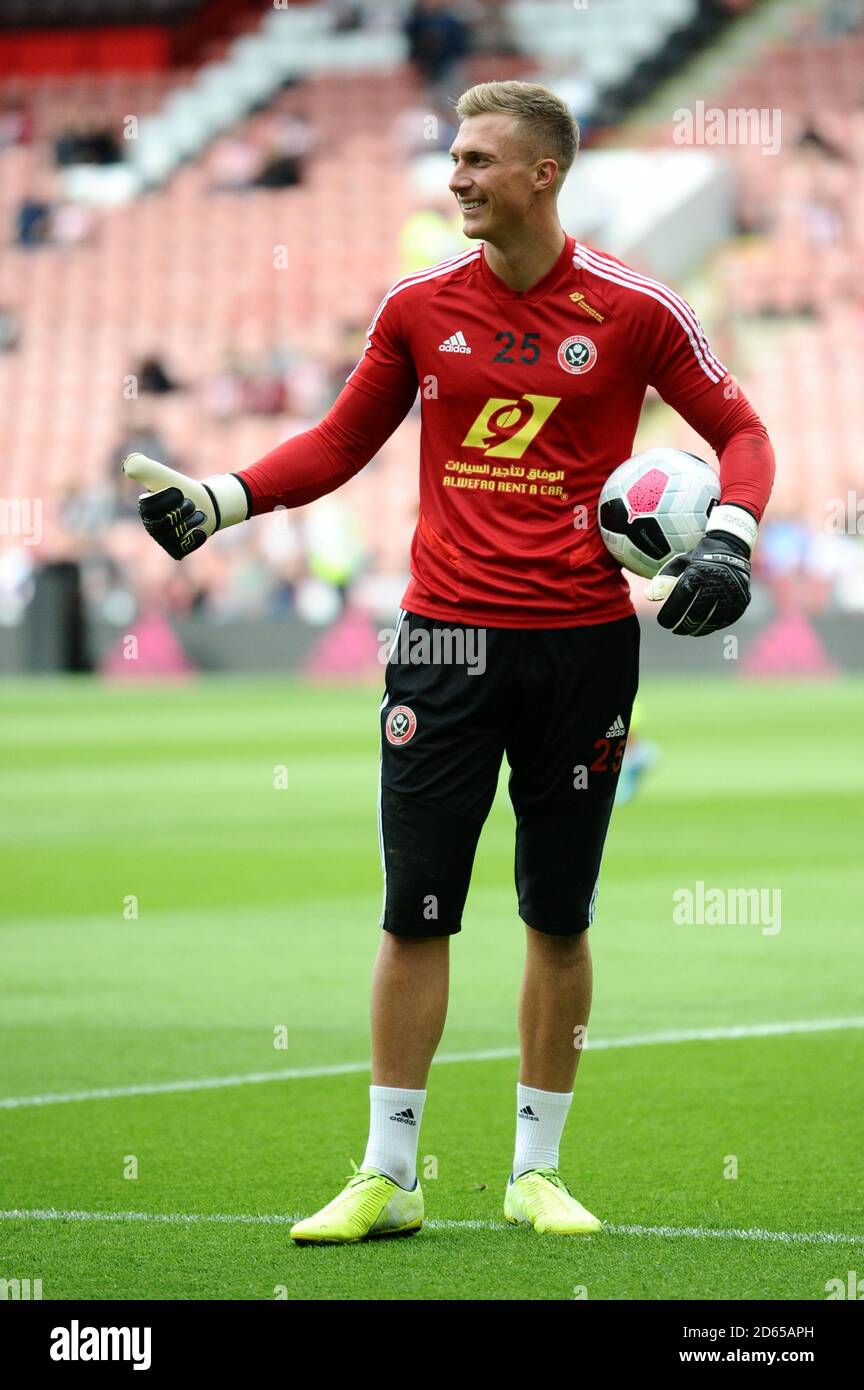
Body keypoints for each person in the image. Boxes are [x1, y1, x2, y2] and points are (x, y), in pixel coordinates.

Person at [124, 80, 775, 1241]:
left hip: (581, 645)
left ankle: (536, 1171)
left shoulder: (636, 310)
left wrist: (730, 539)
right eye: (455, 156)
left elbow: (744, 432)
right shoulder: (420, 307)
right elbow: (339, 440)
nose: (457, 176)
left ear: (543, 174)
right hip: (442, 645)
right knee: (414, 911)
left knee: (558, 915)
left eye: (479, 159)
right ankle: (389, 1174)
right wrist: (221, 499)